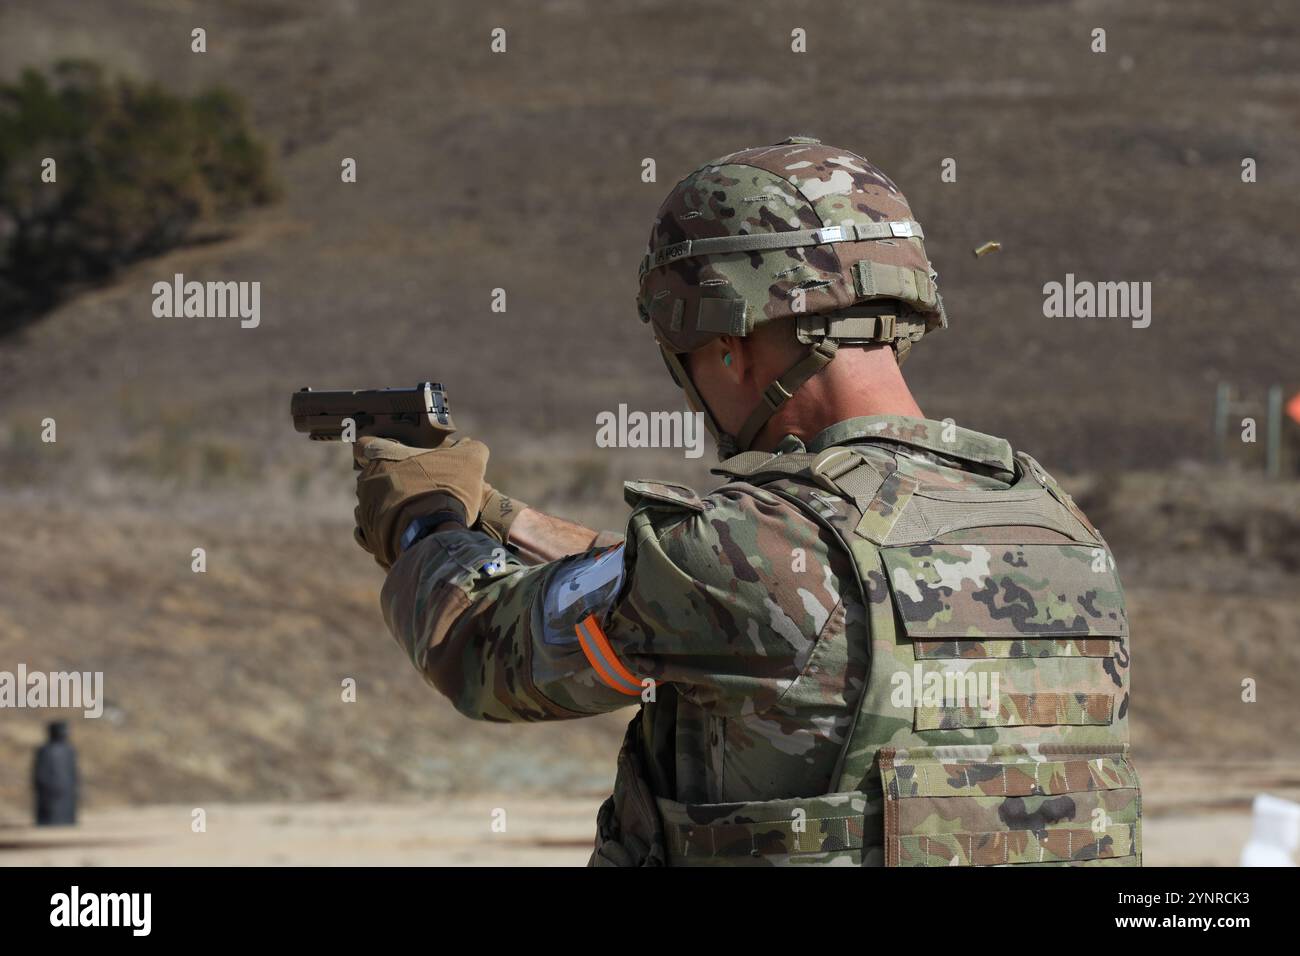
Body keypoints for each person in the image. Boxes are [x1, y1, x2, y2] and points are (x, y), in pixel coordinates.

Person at [351, 138, 1141, 866]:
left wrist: (422, 519)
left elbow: (482, 651)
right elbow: (722, 593)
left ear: (729, 343)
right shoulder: (1053, 524)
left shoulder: (746, 552)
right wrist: (500, 515)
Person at [34, 720, 78, 826]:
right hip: (48, 789)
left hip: (66, 788)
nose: (65, 733)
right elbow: (40, 771)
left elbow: (73, 771)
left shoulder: (69, 750)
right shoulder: (44, 750)